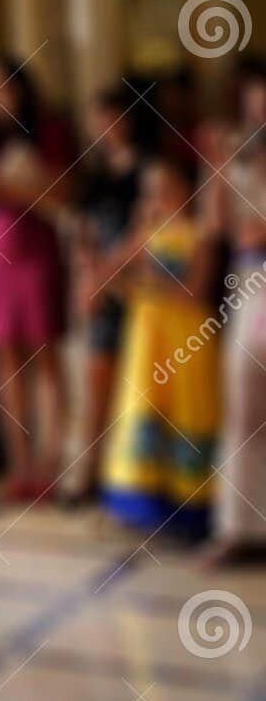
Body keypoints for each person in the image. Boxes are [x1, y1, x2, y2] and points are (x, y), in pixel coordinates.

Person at [0, 55, 74, 500]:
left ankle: (52, 464)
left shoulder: (48, 129)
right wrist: (8, 191)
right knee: (5, 361)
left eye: (4, 86)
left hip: (38, 247)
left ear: (21, 89)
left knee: (45, 355)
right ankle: (18, 464)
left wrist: (9, 189)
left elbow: (61, 190)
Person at [95, 160, 219, 532]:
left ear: (184, 191)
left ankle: (191, 501)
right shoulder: (145, 234)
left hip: (187, 334)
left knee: (189, 406)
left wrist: (147, 285)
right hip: (148, 336)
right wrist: (135, 233)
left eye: (164, 188)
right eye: (149, 191)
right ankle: (141, 496)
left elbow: (195, 291)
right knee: (144, 403)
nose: (157, 198)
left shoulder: (200, 233)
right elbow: (111, 273)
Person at [67, 85, 148, 504]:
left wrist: (108, 270)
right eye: (96, 118)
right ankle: (89, 474)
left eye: (110, 116)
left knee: (134, 384)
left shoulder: (148, 169)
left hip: (137, 285)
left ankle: (129, 480)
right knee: (95, 379)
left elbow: (147, 227)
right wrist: (88, 273)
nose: (103, 127)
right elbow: (82, 229)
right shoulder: (92, 171)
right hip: (98, 283)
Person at [204, 94, 266, 563]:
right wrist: (219, 168)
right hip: (250, 284)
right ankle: (239, 529)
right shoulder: (243, 165)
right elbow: (222, 228)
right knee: (243, 411)